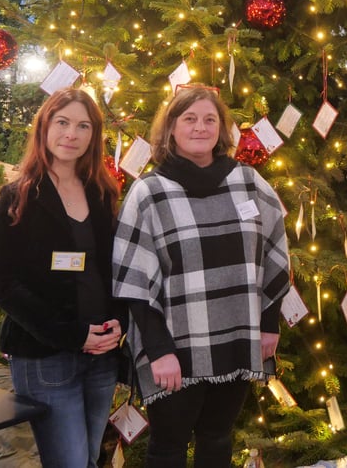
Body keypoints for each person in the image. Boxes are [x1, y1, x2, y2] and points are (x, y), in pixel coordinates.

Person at [111, 85, 291, 468]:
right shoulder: (150, 192)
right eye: (189, 119)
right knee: (168, 447)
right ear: (171, 129)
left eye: (210, 119)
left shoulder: (248, 181)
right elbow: (134, 281)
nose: (200, 127)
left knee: (217, 438)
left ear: (222, 129)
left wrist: (270, 323)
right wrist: (158, 350)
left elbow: (276, 251)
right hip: (175, 348)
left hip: (237, 338)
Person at [0, 88, 124, 468]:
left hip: (103, 352)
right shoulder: (17, 197)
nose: (72, 134)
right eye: (62, 122)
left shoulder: (101, 192)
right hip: (46, 354)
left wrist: (120, 324)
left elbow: (114, 269)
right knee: (70, 462)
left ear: (93, 137)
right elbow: (5, 286)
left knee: (90, 456)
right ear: (45, 127)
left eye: (83, 126)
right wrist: (73, 335)